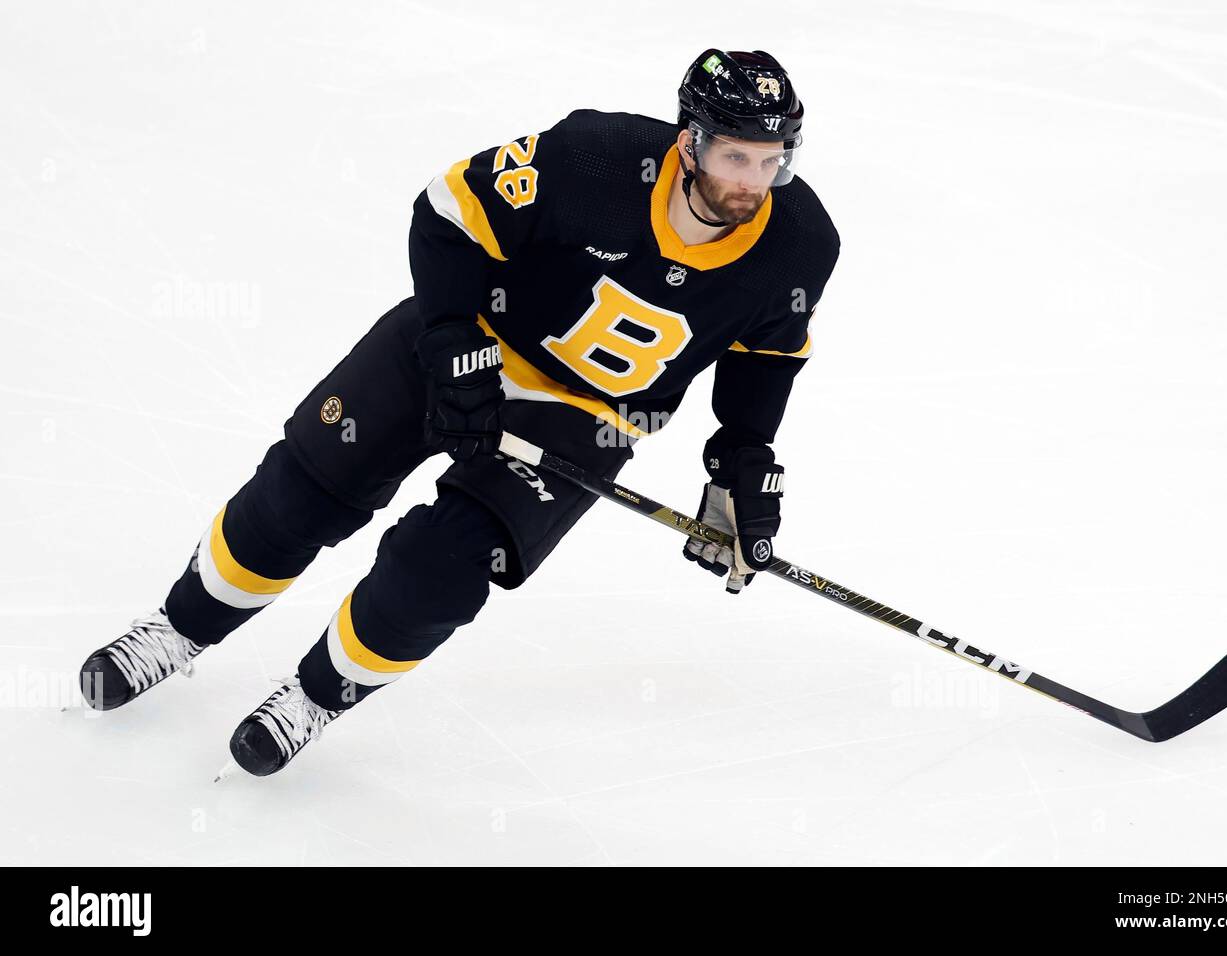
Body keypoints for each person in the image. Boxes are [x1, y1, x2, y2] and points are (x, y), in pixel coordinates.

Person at [78, 48, 841, 776]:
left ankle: (314, 699)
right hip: (468, 338)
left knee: (436, 576)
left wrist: (743, 458)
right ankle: (177, 631)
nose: (754, 181)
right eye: (735, 157)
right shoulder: (594, 157)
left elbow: (763, 358)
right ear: (689, 143)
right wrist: (451, 341)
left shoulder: (800, 243)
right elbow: (448, 211)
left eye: (773, 160)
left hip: (588, 414)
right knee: (299, 495)